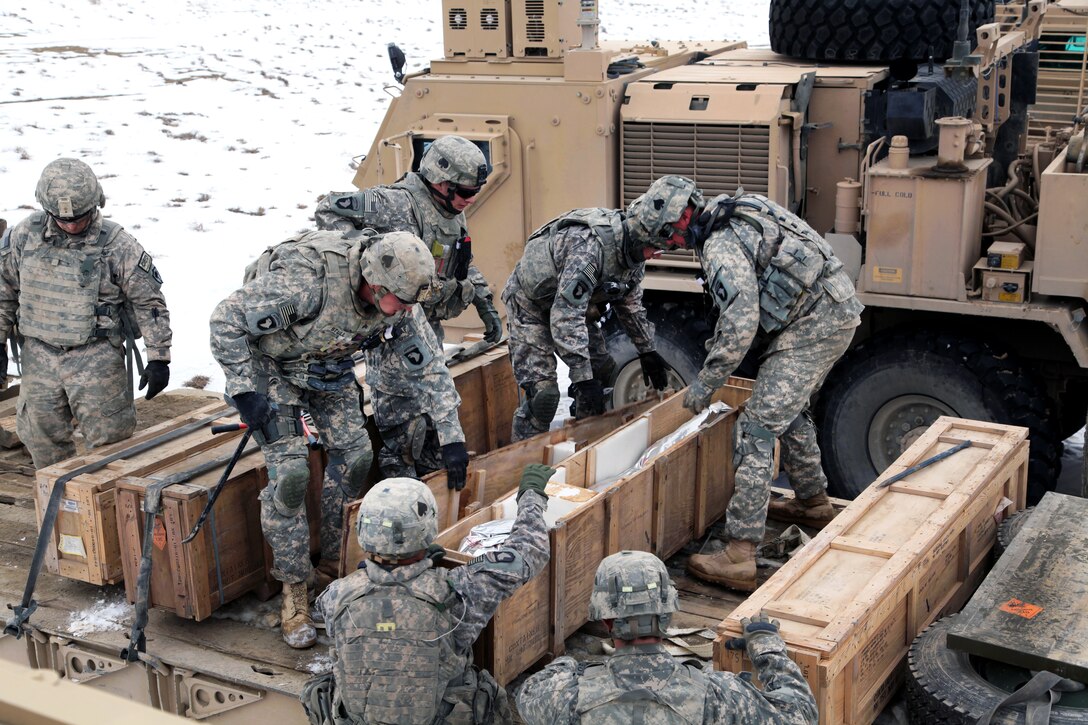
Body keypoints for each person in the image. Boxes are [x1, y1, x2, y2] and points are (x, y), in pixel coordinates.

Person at [210, 229, 462, 649]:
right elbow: (226, 320)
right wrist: (243, 390)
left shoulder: (400, 302)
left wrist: (452, 436)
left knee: (357, 457)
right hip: (272, 371)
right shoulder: (309, 282)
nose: (404, 311)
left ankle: (331, 562)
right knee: (290, 476)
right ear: (375, 284)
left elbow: (430, 366)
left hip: (329, 371)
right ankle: (294, 589)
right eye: (400, 302)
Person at [683, 192, 863, 592]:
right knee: (787, 408)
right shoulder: (740, 206)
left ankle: (738, 555)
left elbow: (739, 324)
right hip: (835, 310)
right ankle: (813, 501)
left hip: (813, 327)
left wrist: (705, 385)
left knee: (756, 429)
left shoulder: (719, 246)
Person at [302, 464, 552, 725]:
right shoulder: (458, 593)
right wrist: (531, 495)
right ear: (426, 528)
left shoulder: (336, 596)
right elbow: (530, 549)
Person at [316, 135, 498, 483]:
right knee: (404, 437)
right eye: (464, 192)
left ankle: (433, 499)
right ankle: (401, 505)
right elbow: (329, 207)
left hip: (428, 329)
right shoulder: (394, 203)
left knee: (433, 424)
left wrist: (483, 301)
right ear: (440, 181)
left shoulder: (450, 212)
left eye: (475, 192)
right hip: (391, 339)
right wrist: (364, 257)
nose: (469, 200)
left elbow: (461, 260)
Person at [502, 175, 703, 442]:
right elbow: (565, 317)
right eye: (656, 248)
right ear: (646, 235)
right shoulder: (590, 249)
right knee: (544, 398)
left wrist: (648, 350)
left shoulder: (634, 251)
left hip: (572, 308)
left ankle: (583, 447)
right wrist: (581, 377)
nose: (657, 254)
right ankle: (520, 468)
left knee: (603, 374)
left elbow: (629, 305)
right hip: (532, 308)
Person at [0, 158, 172, 469]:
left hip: (95, 356)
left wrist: (159, 357)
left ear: (95, 204)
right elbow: (4, 293)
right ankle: (59, 512)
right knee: (40, 439)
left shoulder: (117, 245)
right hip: (39, 354)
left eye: (78, 218)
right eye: (61, 219)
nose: (70, 225)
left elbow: (149, 302)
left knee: (111, 448)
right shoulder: (24, 237)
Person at [516, 550, 818, 724]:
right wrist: (766, 646)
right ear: (667, 616)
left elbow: (526, 695)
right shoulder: (717, 696)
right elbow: (800, 714)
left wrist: (572, 666)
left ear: (606, 621)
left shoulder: (563, 696)